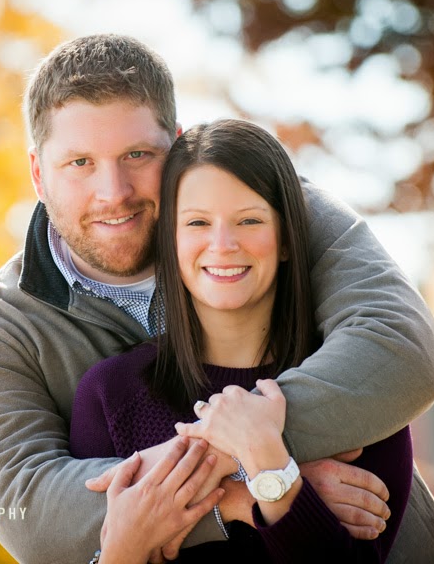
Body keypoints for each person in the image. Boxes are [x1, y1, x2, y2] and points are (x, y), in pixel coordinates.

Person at [0, 33, 434, 563]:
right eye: (79, 163)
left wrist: (245, 456)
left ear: (178, 144)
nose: (114, 191)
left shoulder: (266, 208)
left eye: (138, 154)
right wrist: (258, 481)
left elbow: (401, 350)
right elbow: (31, 514)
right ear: (37, 174)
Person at [70, 119, 413, 562]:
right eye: (197, 222)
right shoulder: (110, 394)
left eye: (248, 220)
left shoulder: (357, 386)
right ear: (169, 242)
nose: (223, 244)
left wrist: (265, 455)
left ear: (287, 238)